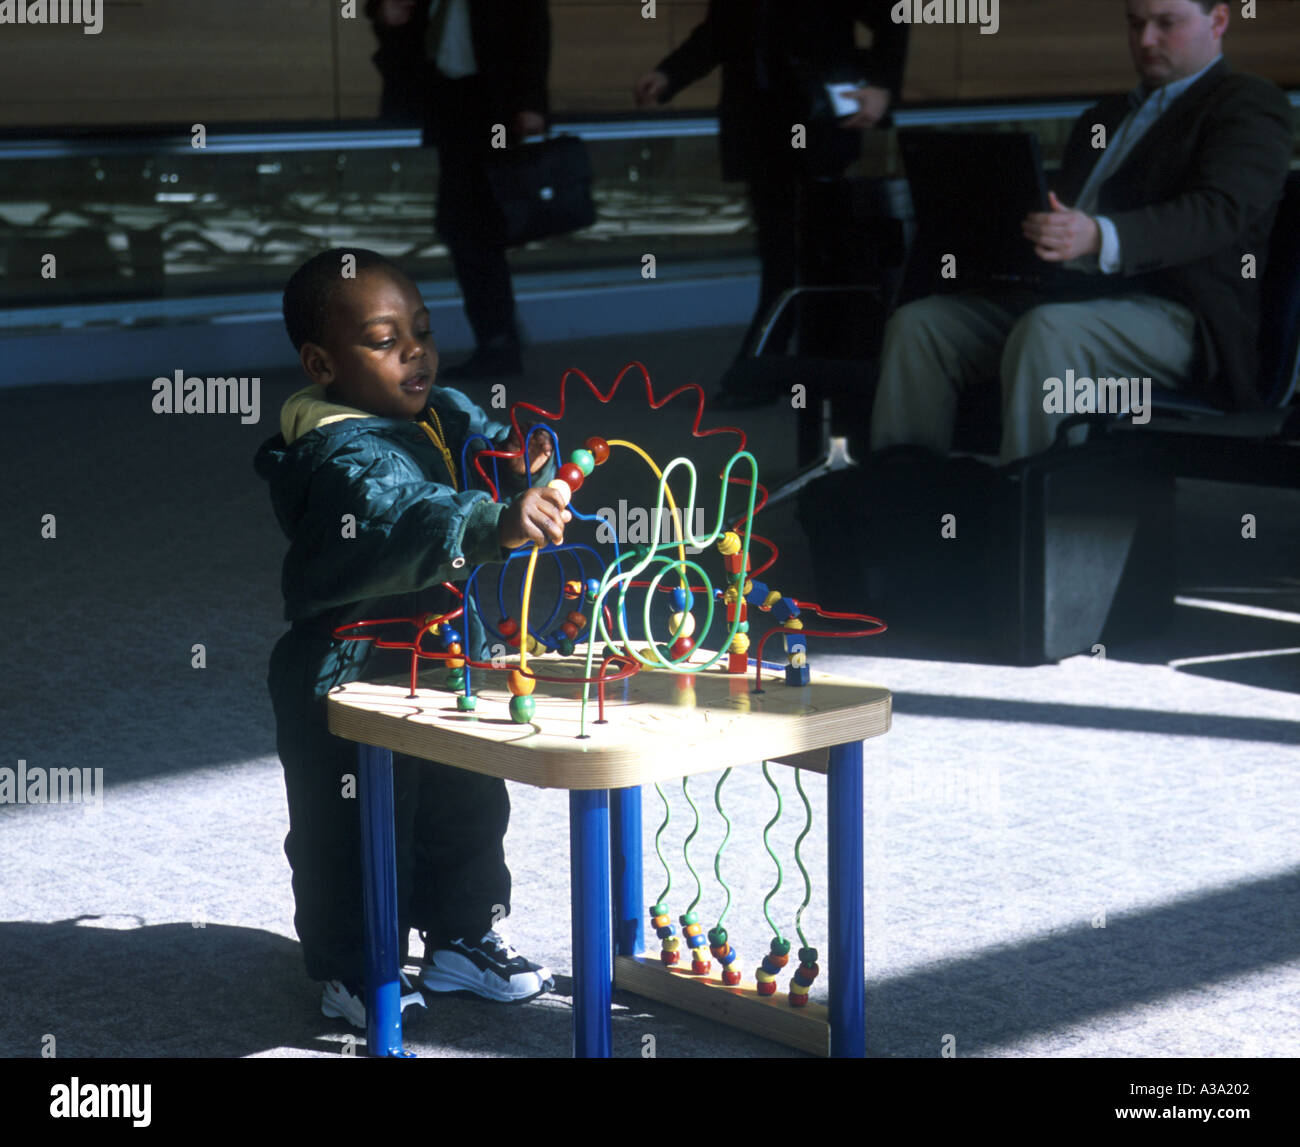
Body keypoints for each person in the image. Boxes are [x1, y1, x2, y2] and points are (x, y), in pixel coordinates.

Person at [253, 247, 570, 1026]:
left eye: (421, 332)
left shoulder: (433, 408)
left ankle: (462, 933)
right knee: (354, 823)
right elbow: (405, 516)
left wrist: (523, 455)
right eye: (385, 339)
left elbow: (480, 437)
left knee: (465, 798)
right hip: (348, 668)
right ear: (322, 363)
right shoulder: (341, 455)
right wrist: (492, 520)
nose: (414, 352)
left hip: (439, 657)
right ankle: (358, 965)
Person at [870, 0, 1295, 465]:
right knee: (922, 326)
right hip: (1067, 293)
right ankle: (904, 503)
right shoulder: (1102, 118)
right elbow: (1062, 213)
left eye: (1165, 23)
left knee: (1050, 332)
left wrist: (1099, 236)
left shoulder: (1248, 103)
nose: (1145, 40)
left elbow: (1219, 211)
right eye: (1135, 24)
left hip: (1178, 313)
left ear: (1218, 21)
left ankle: (1035, 523)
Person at [635, 0, 908, 378]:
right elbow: (721, 32)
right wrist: (670, 74)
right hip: (761, 120)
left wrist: (880, 85)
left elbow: (893, 14)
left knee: (821, 245)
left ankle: (794, 364)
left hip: (819, 115)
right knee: (780, 246)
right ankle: (783, 363)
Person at [364, 0, 551, 380]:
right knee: (465, 226)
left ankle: (499, 341)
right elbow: (394, 19)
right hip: (447, 102)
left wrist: (531, 103)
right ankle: (499, 337)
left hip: (489, 104)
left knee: (474, 227)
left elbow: (533, 30)